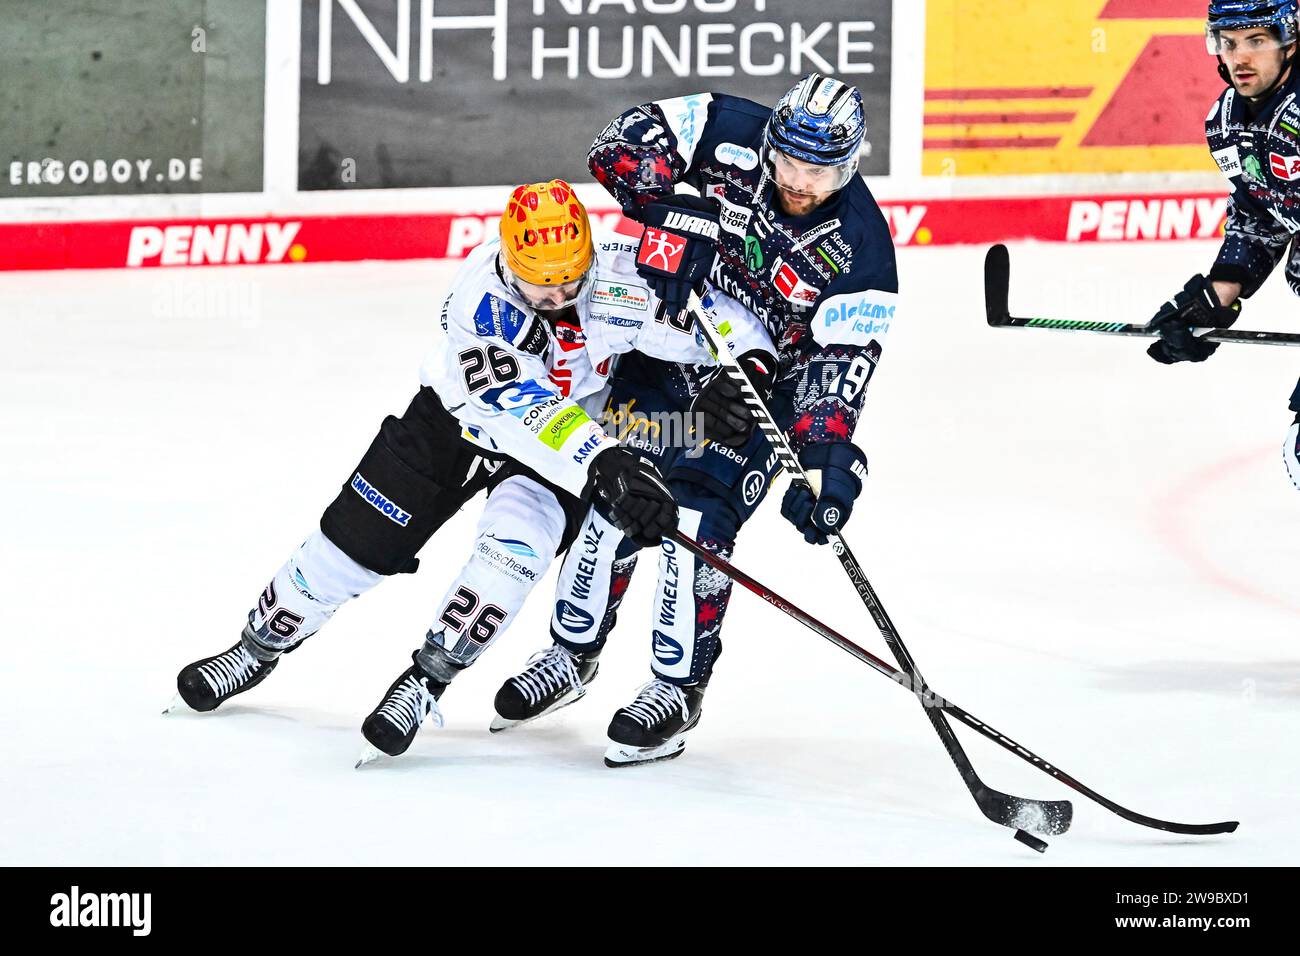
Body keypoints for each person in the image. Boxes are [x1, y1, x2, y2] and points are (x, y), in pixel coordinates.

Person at [168, 180, 773, 765]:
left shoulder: (619, 275)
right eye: (540, 288)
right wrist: (603, 457)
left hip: (559, 451)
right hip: (456, 426)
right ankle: (255, 647)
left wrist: (742, 372)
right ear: (510, 262)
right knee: (353, 544)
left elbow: (723, 323)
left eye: (570, 283)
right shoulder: (478, 296)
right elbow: (517, 405)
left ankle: (425, 683)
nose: (558, 299)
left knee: (511, 559)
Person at [491, 74, 900, 767]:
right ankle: (570, 654)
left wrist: (825, 467)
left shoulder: (864, 251)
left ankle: (676, 690)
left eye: (820, 171)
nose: (798, 182)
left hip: (752, 395)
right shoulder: (722, 123)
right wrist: (678, 212)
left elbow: (834, 377)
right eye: (788, 162)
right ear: (770, 141)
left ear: (852, 163)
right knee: (615, 499)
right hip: (664, 352)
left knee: (692, 524)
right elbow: (615, 147)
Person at [1149, 1, 1300, 487]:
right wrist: (1217, 296)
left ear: (1290, 40)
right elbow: (1261, 215)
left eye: (1256, 40)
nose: (1241, 57)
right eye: (1230, 42)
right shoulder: (1227, 121)